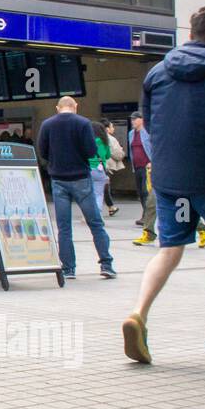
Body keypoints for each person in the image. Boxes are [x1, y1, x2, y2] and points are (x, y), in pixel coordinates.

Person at [121, 7, 205, 365]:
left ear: (191, 32)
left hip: (169, 181)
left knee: (169, 250)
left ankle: (138, 313)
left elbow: (150, 124)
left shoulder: (158, 72)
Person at [36, 98, 116, 280]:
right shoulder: (83, 123)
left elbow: (42, 151)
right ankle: (106, 264)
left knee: (64, 228)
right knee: (95, 223)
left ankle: (68, 269)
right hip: (81, 179)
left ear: (57, 108)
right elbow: (90, 151)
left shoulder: (47, 124)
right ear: (75, 107)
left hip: (58, 180)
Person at [127, 111, 152, 225]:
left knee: (145, 191)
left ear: (141, 120)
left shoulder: (147, 132)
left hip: (147, 167)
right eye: (132, 119)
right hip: (136, 166)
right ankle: (145, 214)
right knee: (141, 193)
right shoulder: (131, 133)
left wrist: (152, 162)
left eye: (135, 119)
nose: (132, 121)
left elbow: (154, 147)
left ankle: (147, 217)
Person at [101, 118, 124, 215]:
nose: (113, 128)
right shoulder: (110, 139)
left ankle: (111, 207)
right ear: (106, 129)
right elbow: (117, 153)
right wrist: (122, 152)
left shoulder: (94, 137)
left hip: (97, 166)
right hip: (106, 166)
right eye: (111, 126)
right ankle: (110, 207)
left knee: (103, 187)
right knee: (105, 187)